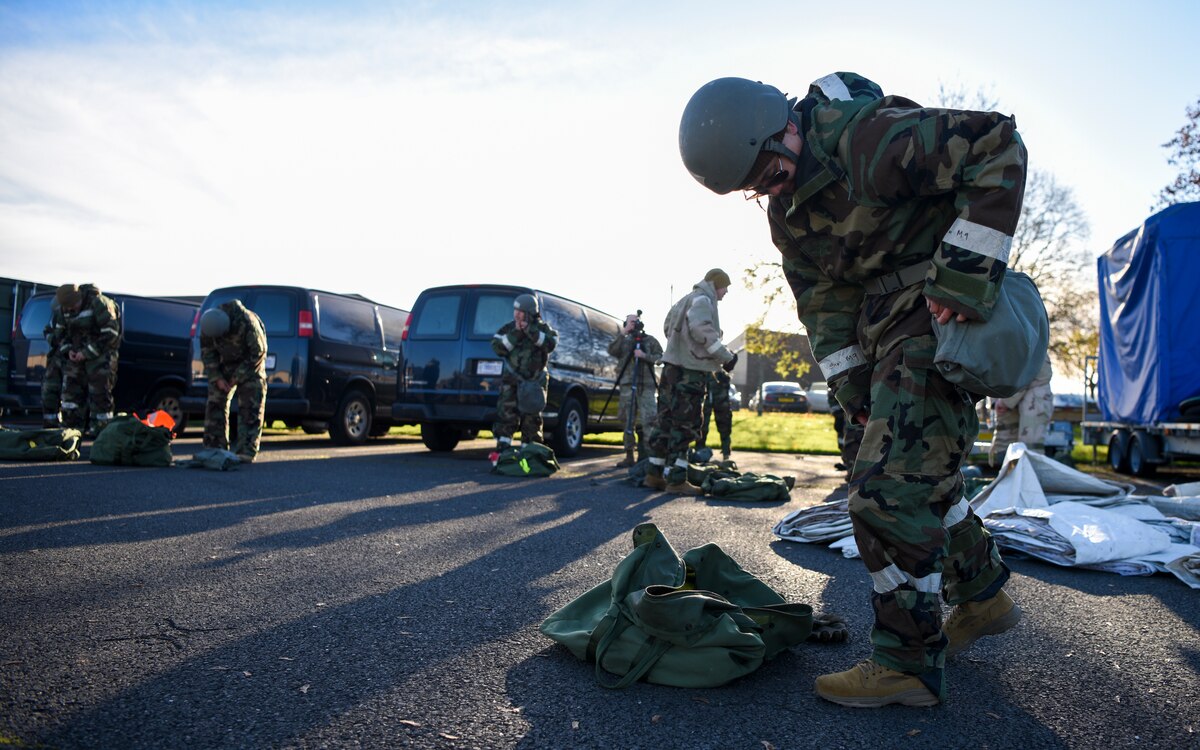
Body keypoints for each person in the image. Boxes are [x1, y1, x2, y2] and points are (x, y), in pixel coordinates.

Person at [680, 72, 1027, 707]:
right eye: (754, 187)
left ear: (782, 126)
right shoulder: (788, 216)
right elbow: (823, 305)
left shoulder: (860, 139)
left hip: (938, 317)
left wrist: (963, 277)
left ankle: (908, 665)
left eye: (770, 170)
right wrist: (852, 388)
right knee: (927, 477)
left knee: (885, 494)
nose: (769, 188)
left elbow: (994, 144)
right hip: (886, 335)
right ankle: (982, 595)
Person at [644, 269, 737, 494]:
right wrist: (726, 357)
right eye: (725, 288)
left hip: (670, 370)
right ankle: (676, 480)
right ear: (716, 284)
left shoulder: (683, 300)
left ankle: (653, 475)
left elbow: (668, 327)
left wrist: (680, 347)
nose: (725, 293)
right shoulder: (704, 300)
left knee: (664, 421)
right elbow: (700, 329)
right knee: (685, 425)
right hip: (690, 373)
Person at [199, 300, 267, 463]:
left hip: (250, 366)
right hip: (224, 365)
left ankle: (246, 451)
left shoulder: (247, 322)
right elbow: (208, 353)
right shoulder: (209, 325)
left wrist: (237, 377)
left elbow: (257, 353)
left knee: (250, 405)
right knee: (215, 402)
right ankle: (215, 446)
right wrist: (217, 377)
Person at [491, 294, 558, 451]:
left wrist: (530, 331)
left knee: (532, 419)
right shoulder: (508, 328)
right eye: (515, 310)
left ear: (529, 312)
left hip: (534, 382)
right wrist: (517, 333)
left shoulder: (543, 329)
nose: (516, 314)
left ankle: (530, 453)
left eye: (520, 311)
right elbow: (497, 347)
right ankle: (503, 451)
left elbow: (551, 343)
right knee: (506, 416)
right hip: (511, 380)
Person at [56, 284, 121, 436]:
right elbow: (59, 333)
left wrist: (86, 353)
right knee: (70, 396)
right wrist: (69, 350)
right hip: (75, 359)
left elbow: (111, 334)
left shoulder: (99, 303)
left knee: (100, 396)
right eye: (68, 307)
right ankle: (71, 431)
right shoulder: (65, 308)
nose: (71, 310)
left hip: (100, 359)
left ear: (79, 298)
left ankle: (101, 433)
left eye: (74, 306)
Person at [607, 312, 663, 467]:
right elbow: (612, 350)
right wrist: (623, 332)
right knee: (627, 420)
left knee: (649, 420)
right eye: (630, 322)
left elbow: (660, 357)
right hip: (627, 384)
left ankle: (649, 457)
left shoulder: (650, 341)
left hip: (646, 385)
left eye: (636, 321)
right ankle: (628, 455)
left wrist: (644, 355)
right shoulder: (624, 341)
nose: (634, 324)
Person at [989, 352, 1053, 466]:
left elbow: (1029, 369)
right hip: (1007, 388)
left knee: (1030, 452)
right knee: (1003, 450)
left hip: (1032, 395)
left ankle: (1026, 482)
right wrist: (998, 402)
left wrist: (1004, 401)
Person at [697, 370, 733, 461]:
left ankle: (726, 452)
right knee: (702, 424)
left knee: (724, 425)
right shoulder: (705, 372)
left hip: (721, 398)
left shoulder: (722, 373)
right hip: (707, 396)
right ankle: (699, 450)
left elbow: (730, 362)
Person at [41, 296, 66, 428]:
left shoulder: (81, 315)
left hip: (75, 361)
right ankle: (50, 425)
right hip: (57, 358)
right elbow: (47, 331)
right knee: (49, 391)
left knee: (71, 396)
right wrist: (56, 341)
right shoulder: (57, 316)